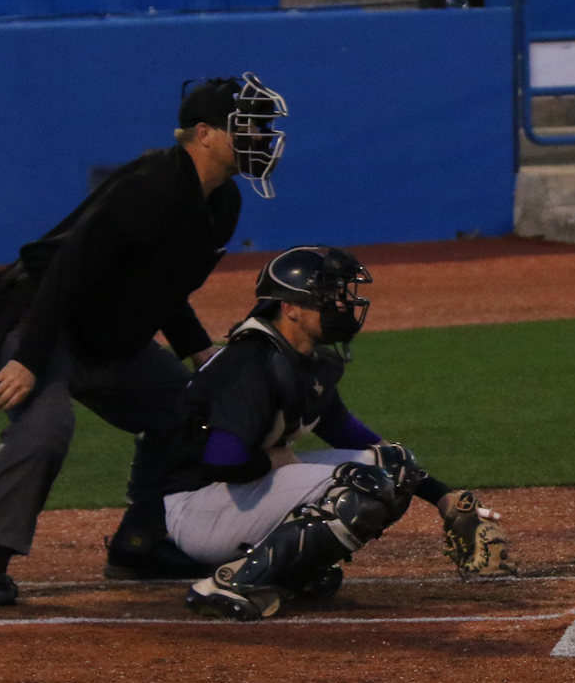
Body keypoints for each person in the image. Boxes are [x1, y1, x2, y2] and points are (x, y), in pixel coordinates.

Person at [0, 73, 286, 608]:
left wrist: (200, 352)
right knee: (45, 426)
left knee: (192, 410)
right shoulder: (151, 185)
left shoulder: (222, 204)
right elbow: (65, 268)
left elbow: (163, 283)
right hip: (40, 320)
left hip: (111, 340)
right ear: (205, 133)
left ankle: (142, 542)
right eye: (249, 125)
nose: (260, 136)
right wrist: (28, 360)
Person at [164, 246, 511, 622]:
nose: (343, 305)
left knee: (393, 466)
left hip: (238, 494)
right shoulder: (250, 362)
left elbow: (356, 437)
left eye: (343, 295)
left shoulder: (306, 361)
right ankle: (230, 583)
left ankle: (291, 570)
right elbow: (221, 458)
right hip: (198, 507)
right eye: (328, 297)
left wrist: (441, 496)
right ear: (290, 307)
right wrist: (270, 460)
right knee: (361, 488)